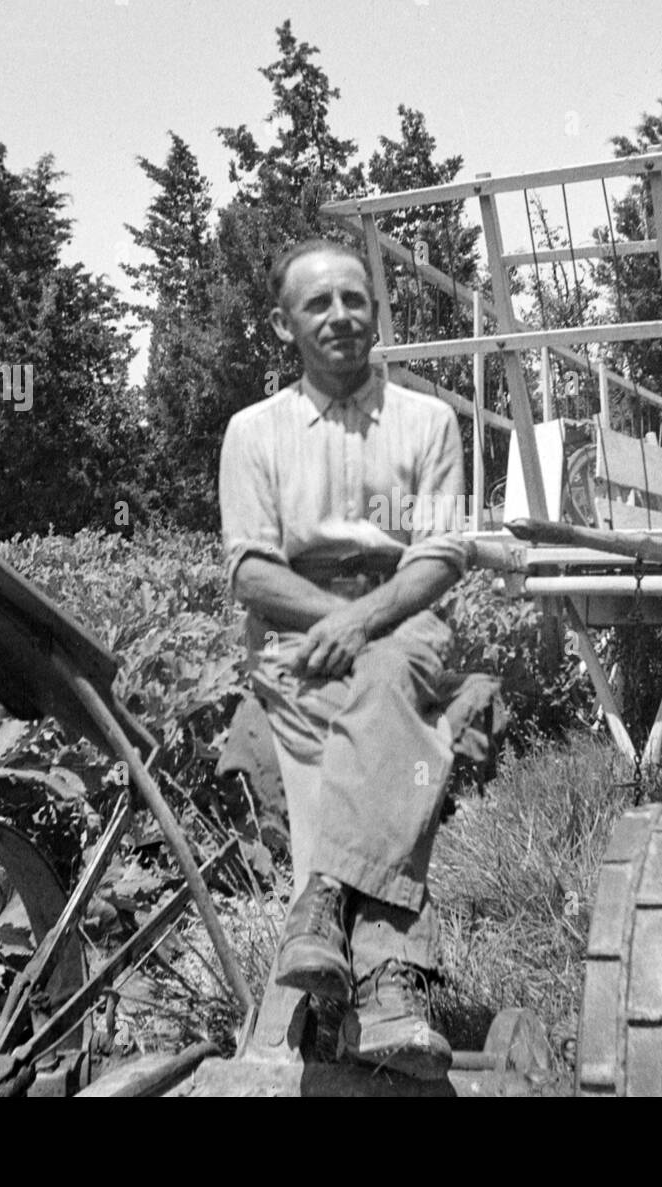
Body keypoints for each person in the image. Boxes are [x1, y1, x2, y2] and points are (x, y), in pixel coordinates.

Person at [218, 238, 468, 1080]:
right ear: (285, 323)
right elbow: (252, 570)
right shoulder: (253, 432)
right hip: (296, 629)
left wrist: (364, 623)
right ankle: (394, 982)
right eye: (318, 303)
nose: (340, 316)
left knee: (392, 678)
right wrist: (339, 622)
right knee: (391, 742)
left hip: (402, 618)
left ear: (377, 310)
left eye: (355, 299)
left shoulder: (429, 421)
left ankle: (321, 904)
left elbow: (439, 557)